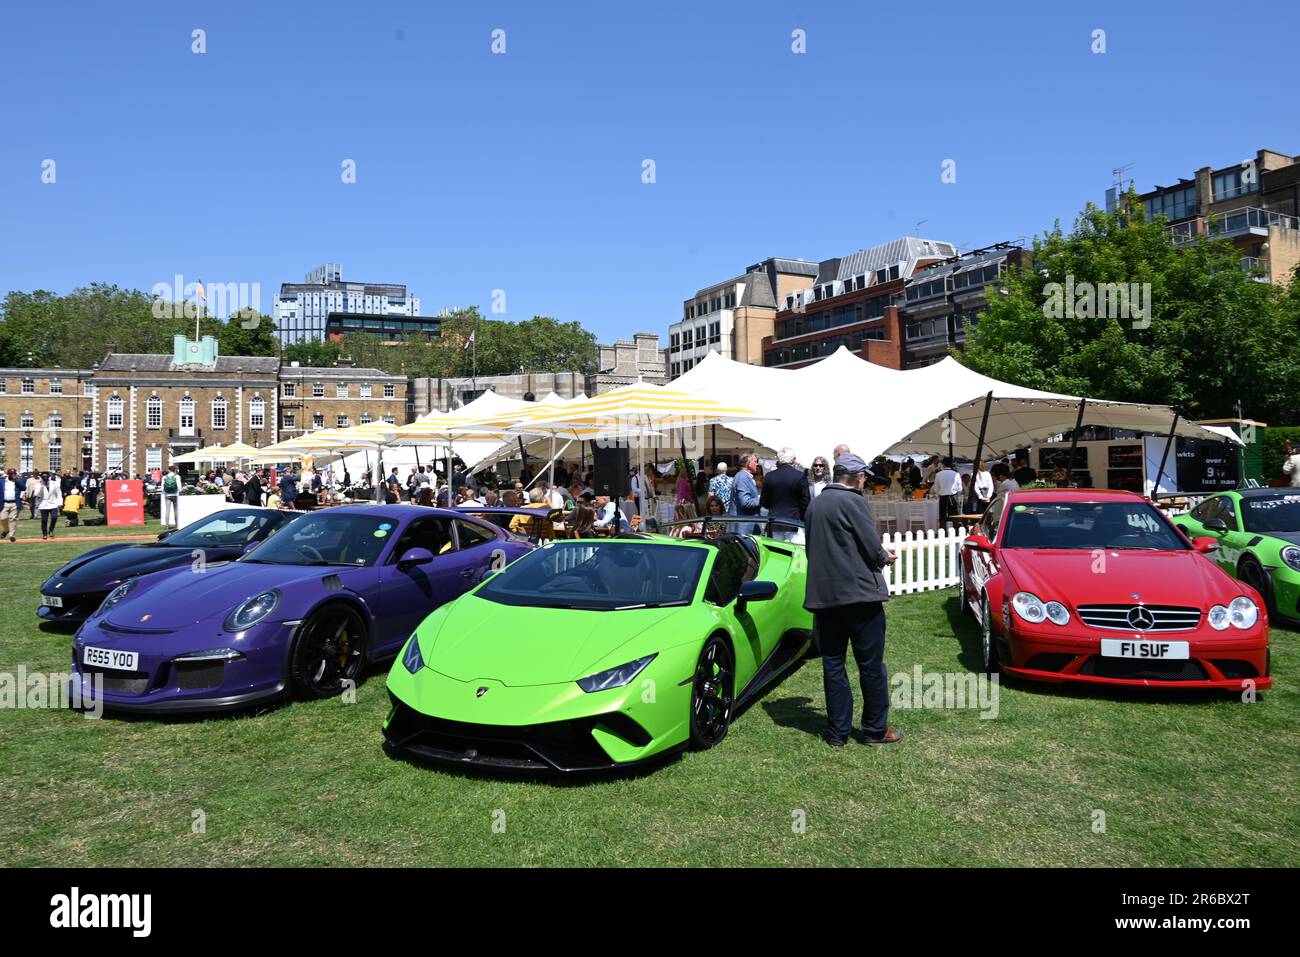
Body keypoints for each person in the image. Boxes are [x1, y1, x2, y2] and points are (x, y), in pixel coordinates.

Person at [803, 453, 901, 747]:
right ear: (856, 477)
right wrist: (885, 557)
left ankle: (837, 732)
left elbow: (813, 549)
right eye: (863, 477)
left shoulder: (815, 504)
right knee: (870, 665)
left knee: (833, 665)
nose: (865, 481)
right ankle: (874, 729)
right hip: (859, 596)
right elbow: (871, 546)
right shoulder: (854, 501)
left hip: (825, 598)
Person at [760, 448, 811, 542]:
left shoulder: (769, 476)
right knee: (796, 554)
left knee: (775, 554)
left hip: (774, 521)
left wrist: (774, 507)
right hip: (794, 522)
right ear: (793, 460)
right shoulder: (799, 476)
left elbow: (763, 501)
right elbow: (806, 502)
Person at [731, 453, 762, 535]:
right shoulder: (742, 477)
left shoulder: (744, 477)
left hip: (747, 527)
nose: (757, 464)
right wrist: (762, 499)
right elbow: (745, 503)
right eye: (755, 461)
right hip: (744, 529)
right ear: (748, 463)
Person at [933, 457, 962, 528]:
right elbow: (960, 488)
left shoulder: (938, 474)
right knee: (954, 516)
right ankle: (957, 532)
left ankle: (942, 531)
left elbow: (935, 488)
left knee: (942, 516)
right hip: (953, 497)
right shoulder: (956, 474)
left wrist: (940, 493)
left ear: (943, 464)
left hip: (943, 497)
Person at [36, 472, 63, 539]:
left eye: (46, 476)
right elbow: (36, 494)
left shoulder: (54, 483)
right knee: (44, 520)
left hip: (53, 502)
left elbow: (59, 493)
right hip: (43, 504)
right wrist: (40, 485)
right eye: (43, 477)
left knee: (54, 517)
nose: (45, 478)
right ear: (41, 477)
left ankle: (51, 530)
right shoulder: (38, 485)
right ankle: (44, 534)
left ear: (49, 477)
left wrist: (60, 503)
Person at [1, 468, 23, 542]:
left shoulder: (18, 481)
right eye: (11, 474)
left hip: (15, 503)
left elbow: (23, 488)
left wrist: (17, 480)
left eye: (14, 473)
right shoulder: (2, 481)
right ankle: (6, 530)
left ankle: (12, 536)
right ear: (8, 474)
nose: (12, 475)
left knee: (12, 519)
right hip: (4, 503)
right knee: (2, 518)